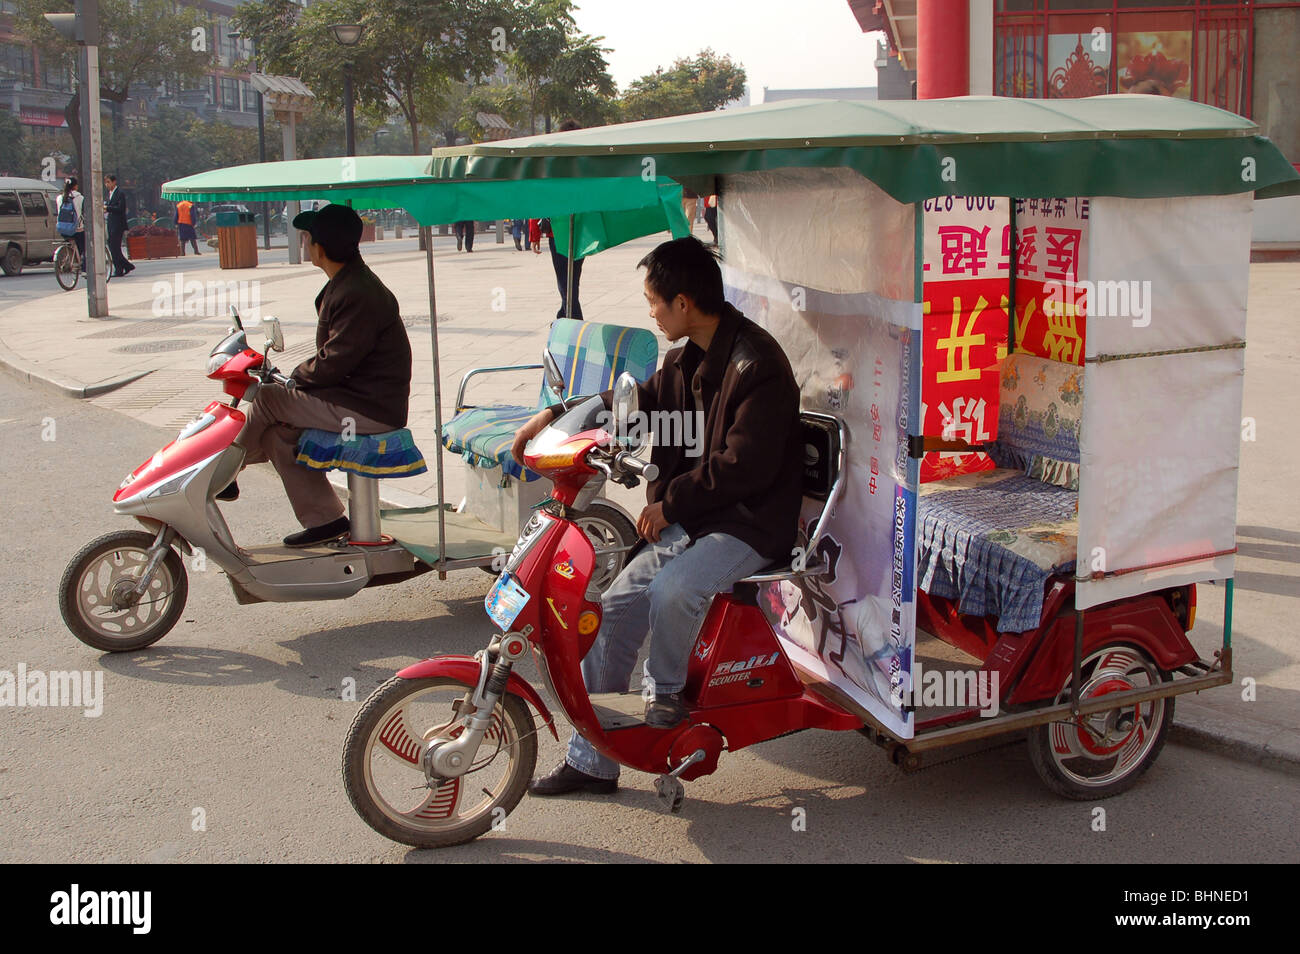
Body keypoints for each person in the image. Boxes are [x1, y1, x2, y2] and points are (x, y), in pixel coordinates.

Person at [509, 236, 804, 795]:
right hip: (702, 515)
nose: (650, 311)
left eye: (653, 301)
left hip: (748, 521)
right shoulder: (686, 359)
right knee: (616, 605)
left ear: (684, 303)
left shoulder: (757, 366)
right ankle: (591, 761)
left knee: (672, 592)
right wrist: (556, 415)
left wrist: (670, 504)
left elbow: (744, 467)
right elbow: (636, 402)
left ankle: (663, 694)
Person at [221, 203, 413, 547]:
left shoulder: (359, 292)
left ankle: (223, 473)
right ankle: (326, 520)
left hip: (370, 409)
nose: (307, 244)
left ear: (320, 248)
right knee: (276, 435)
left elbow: (334, 362)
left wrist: (292, 378)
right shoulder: (348, 283)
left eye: (308, 238)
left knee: (267, 398)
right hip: (354, 399)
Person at [529, 215, 584, 320]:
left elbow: (537, 201)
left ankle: (571, 319)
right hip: (577, 232)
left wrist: (535, 235)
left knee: (568, 282)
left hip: (563, 233)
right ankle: (568, 317)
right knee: (570, 282)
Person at [104, 174, 133, 277]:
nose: (107, 184)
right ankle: (126, 266)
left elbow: (121, 208)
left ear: (114, 182)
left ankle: (120, 268)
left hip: (118, 224)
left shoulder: (120, 193)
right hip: (111, 223)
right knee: (113, 247)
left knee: (115, 247)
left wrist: (107, 208)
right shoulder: (110, 193)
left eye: (108, 182)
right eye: (106, 182)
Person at [56, 178, 86, 272]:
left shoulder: (59, 198)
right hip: (77, 229)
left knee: (71, 243)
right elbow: (83, 213)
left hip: (63, 229)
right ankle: (84, 269)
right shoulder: (80, 198)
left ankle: (71, 257)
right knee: (85, 248)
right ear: (75, 186)